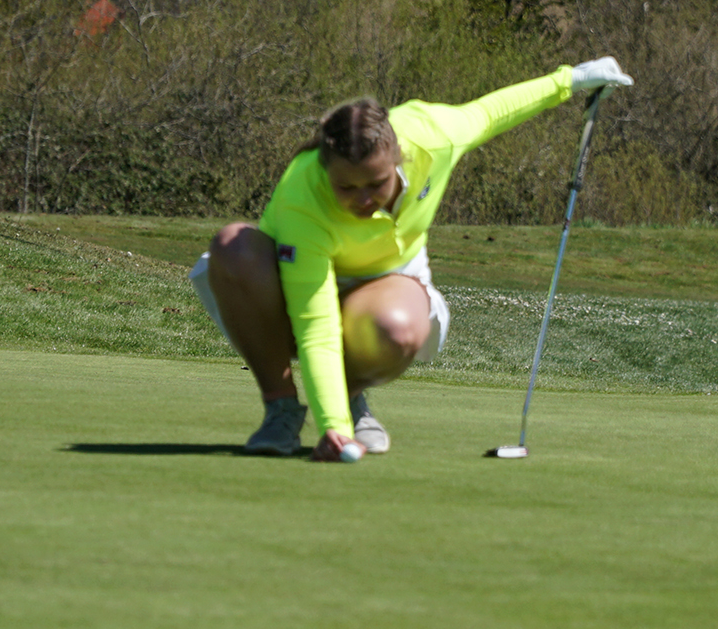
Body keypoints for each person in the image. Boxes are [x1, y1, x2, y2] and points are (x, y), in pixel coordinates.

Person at [188, 58, 634, 462]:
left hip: (389, 276)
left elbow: (493, 111)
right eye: (347, 188)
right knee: (234, 246)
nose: (363, 199)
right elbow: (315, 323)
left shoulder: (433, 135)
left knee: (398, 328)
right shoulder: (303, 194)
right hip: (292, 286)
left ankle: (352, 395)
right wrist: (334, 430)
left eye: (376, 184)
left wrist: (574, 79)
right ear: (327, 170)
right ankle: (282, 410)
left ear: (398, 155)